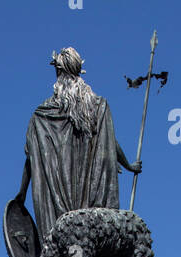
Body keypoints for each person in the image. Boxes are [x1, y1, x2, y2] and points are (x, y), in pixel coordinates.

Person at [17, 47, 141, 240]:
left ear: (59, 73)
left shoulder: (41, 116)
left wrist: (22, 193)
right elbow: (110, 144)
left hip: (59, 214)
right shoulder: (97, 107)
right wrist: (129, 166)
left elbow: (31, 159)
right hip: (93, 209)